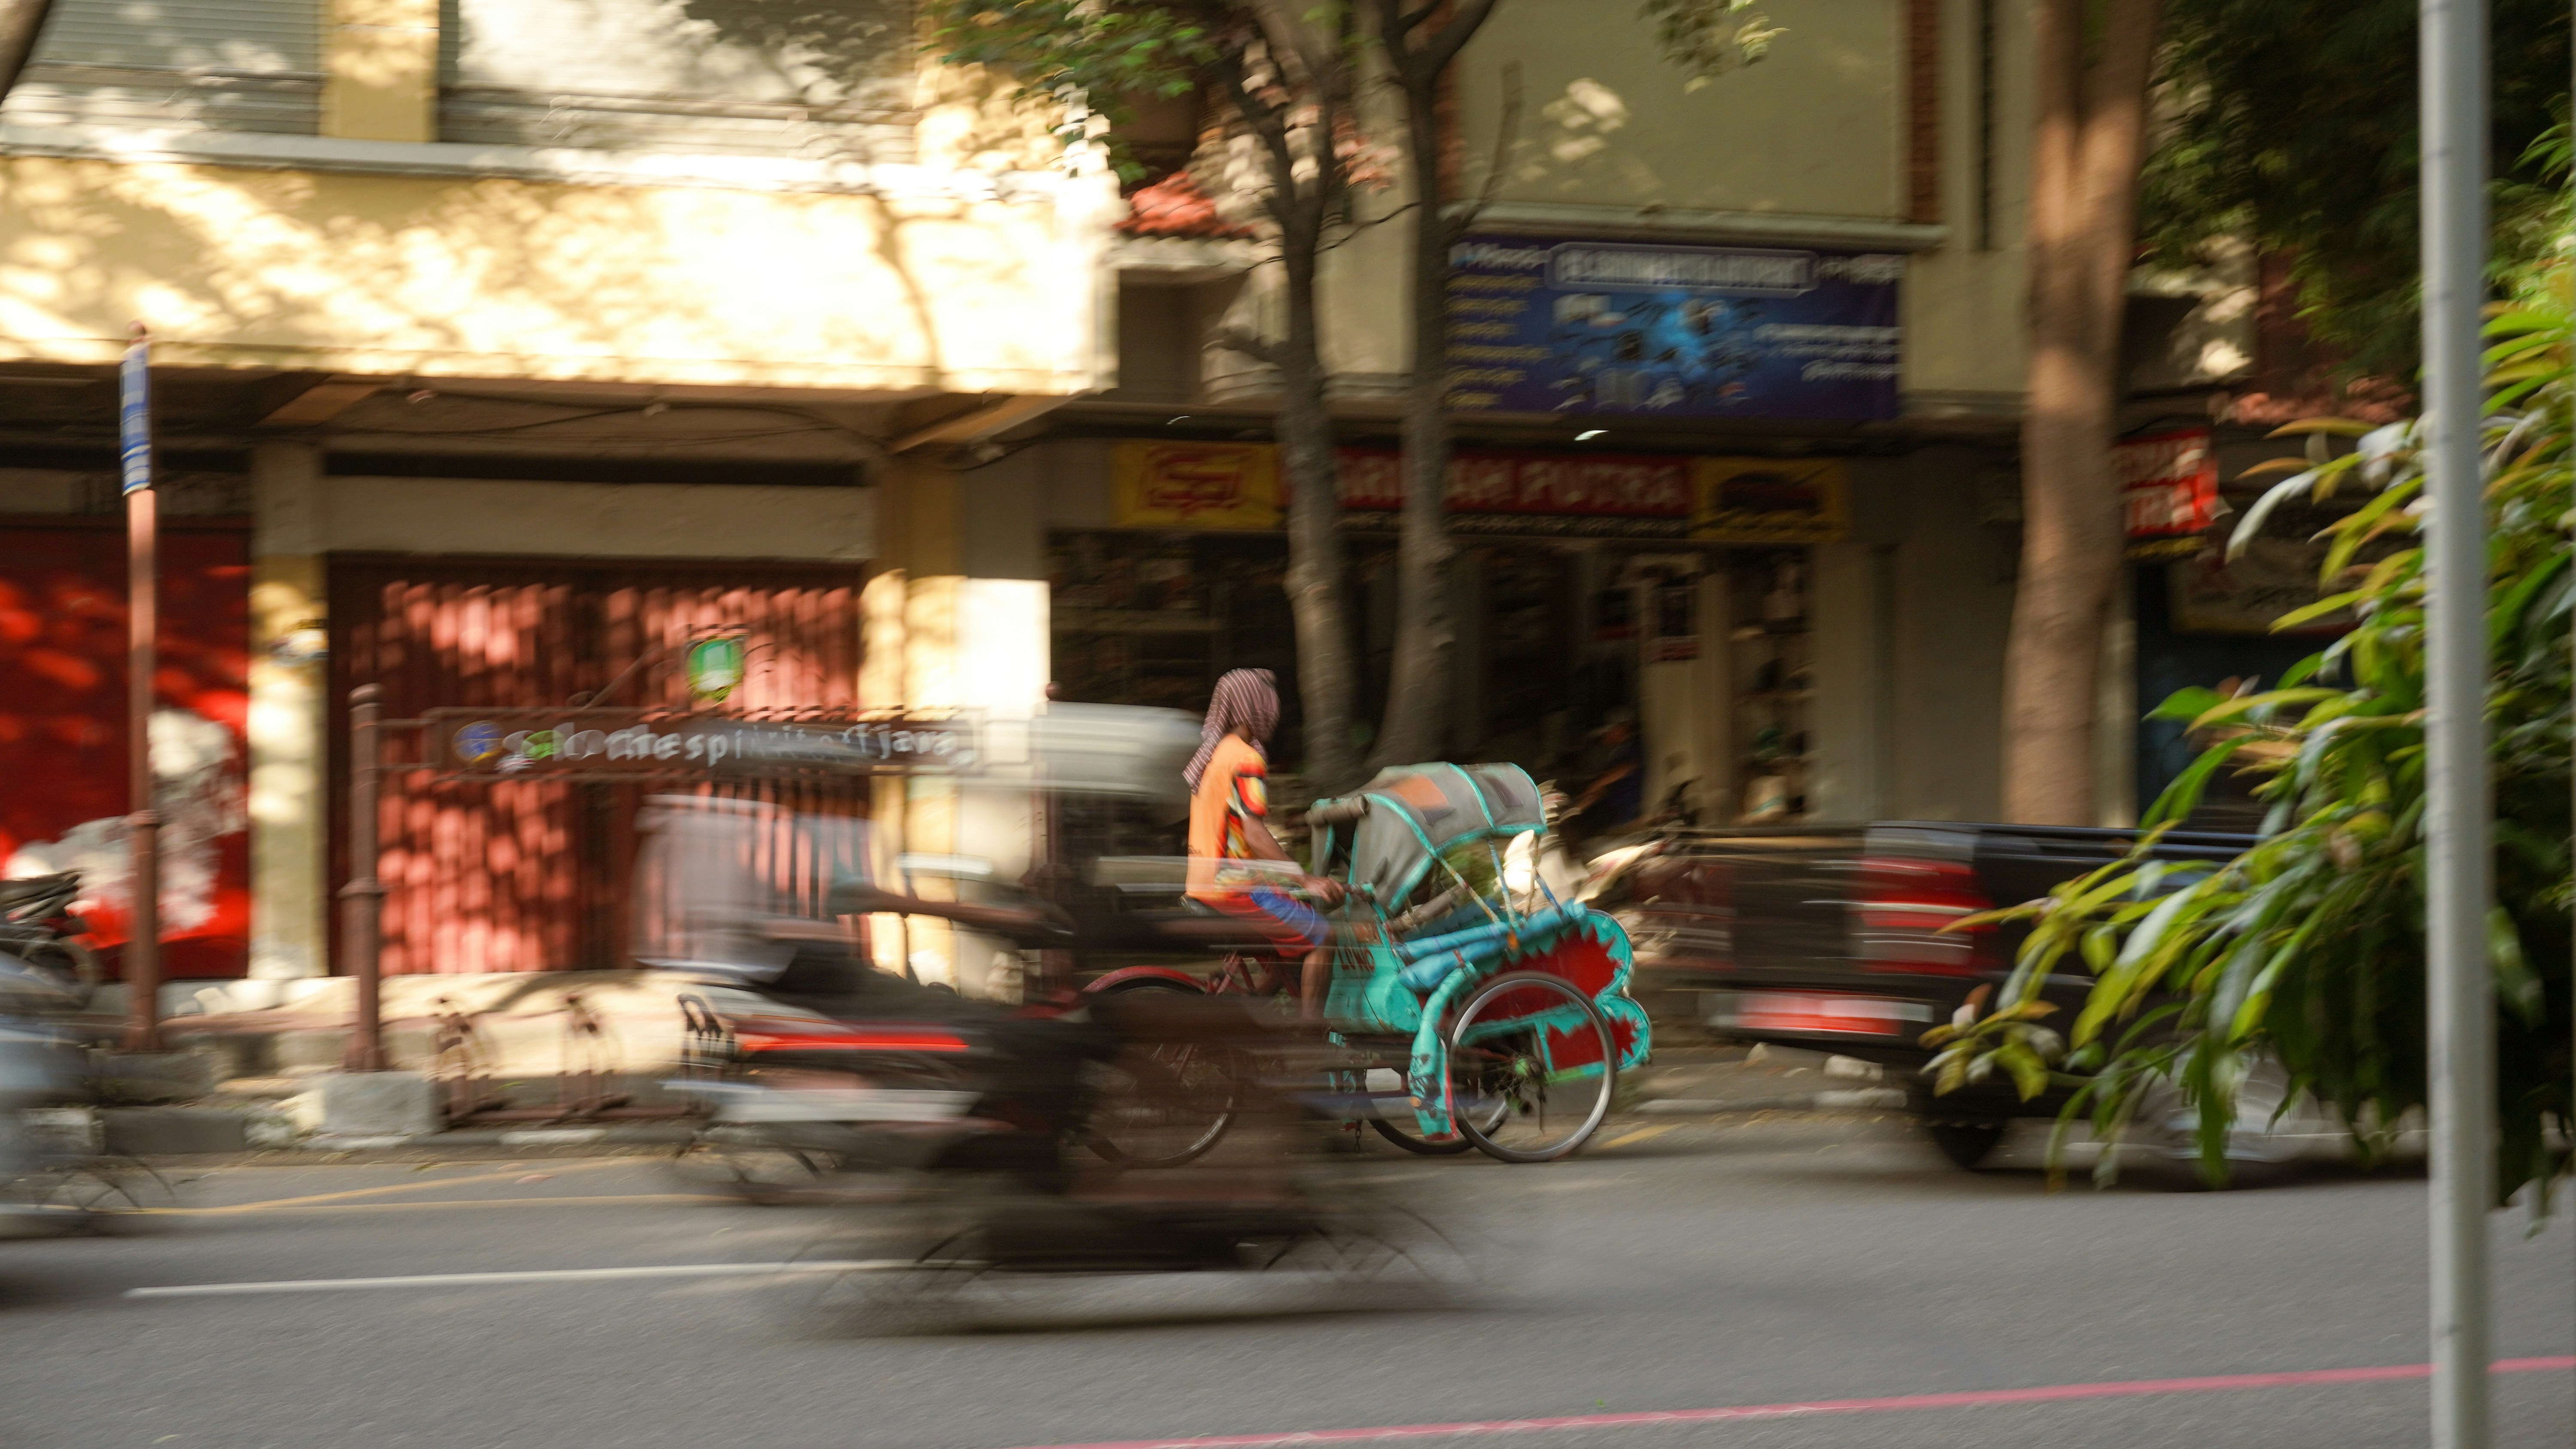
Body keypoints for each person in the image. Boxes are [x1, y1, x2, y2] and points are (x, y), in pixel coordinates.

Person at [1184, 669, 1345, 1020]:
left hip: (1203, 883)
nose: (1274, 713)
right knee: (1322, 935)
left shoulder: (1215, 755)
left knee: (1280, 959)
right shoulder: (1246, 759)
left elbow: (1238, 835)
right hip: (1233, 889)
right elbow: (1255, 834)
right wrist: (1306, 879)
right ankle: (1310, 1045)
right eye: (1268, 704)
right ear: (1254, 707)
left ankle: (1252, 1030)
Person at [1570, 713, 1643, 835]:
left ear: (1621, 728)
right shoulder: (1616, 754)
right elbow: (1603, 789)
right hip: (1611, 809)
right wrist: (1577, 807)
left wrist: (1596, 785)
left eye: (1609, 731)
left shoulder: (1635, 746)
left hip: (1623, 811)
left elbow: (1624, 770)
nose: (1606, 736)